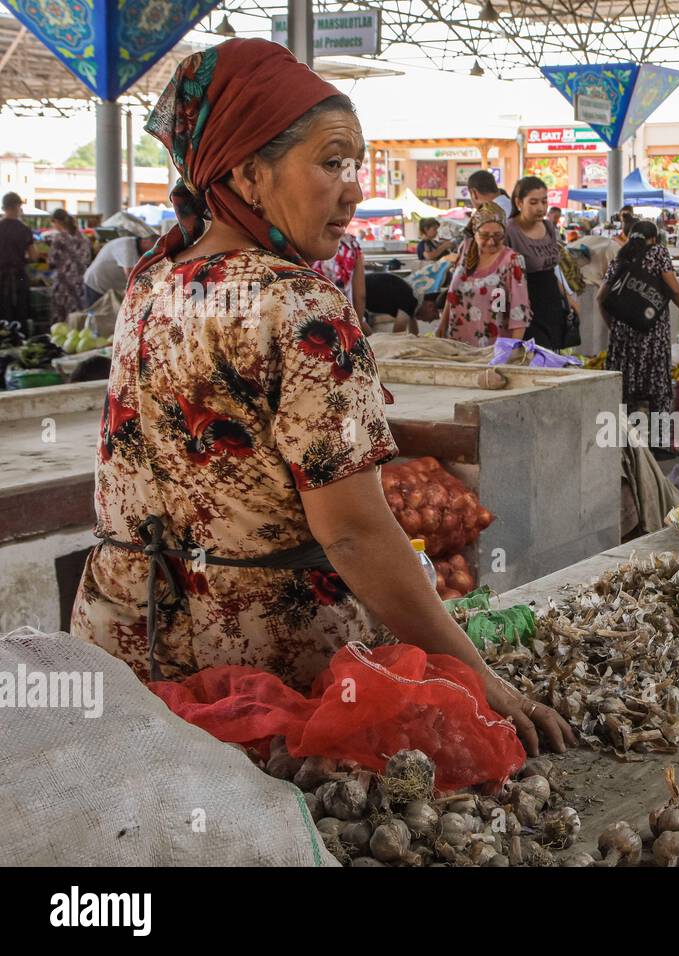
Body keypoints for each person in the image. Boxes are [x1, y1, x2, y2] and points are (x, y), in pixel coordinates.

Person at [68, 38, 571, 755]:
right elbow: (354, 534)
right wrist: (484, 681)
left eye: (355, 165)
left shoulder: (153, 283)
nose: (354, 189)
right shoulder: (301, 305)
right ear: (248, 172)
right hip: (264, 680)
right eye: (331, 162)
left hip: (124, 645)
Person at [596, 219, 679, 416]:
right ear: (654, 239)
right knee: (658, 394)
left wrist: (613, 326)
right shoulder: (658, 253)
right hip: (652, 333)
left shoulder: (620, 257)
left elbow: (600, 298)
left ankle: (625, 434)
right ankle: (660, 435)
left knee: (625, 396)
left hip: (623, 337)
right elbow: (675, 289)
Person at [438, 203, 530, 346]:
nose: (491, 242)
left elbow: (519, 312)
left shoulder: (512, 261)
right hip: (456, 344)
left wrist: (510, 351)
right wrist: (442, 326)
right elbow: (452, 294)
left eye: (498, 235)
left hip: (492, 349)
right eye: (484, 235)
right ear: (475, 232)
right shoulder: (465, 249)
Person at [506, 175, 572, 350]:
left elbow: (552, 270)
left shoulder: (549, 227)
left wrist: (569, 299)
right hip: (526, 304)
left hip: (552, 301)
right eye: (533, 202)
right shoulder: (509, 231)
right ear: (519, 202)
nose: (541, 208)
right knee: (534, 354)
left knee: (553, 354)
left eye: (544, 201)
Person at [44, 209, 92, 325]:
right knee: (77, 318)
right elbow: (87, 259)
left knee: (61, 321)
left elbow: (51, 261)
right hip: (80, 283)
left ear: (56, 221)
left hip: (64, 284)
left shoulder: (59, 238)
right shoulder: (84, 238)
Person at [83, 234, 153, 307]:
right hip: (96, 284)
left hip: (110, 287)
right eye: (153, 249)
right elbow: (131, 276)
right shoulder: (127, 246)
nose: (154, 253)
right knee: (96, 311)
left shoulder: (142, 251)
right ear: (146, 242)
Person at [312, 230, 365, 319]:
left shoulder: (306, 243)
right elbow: (360, 295)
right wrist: (359, 321)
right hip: (345, 318)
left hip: (312, 317)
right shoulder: (351, 244)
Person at [0, 191, 35, 326]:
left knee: (2, 313)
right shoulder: (24, 229)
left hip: (1, 276)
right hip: (19, 276)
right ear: (17, 206)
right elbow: (33, 256)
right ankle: (20, 335)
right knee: (20, 312)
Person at [367, 270, 436, 333]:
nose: (430, 322)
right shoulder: (411, 300)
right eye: (435, 317)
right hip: (364, 291)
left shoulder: (414, 299)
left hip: (367, 289)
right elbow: (398, 331)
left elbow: (413, 330)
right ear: (430, 306)